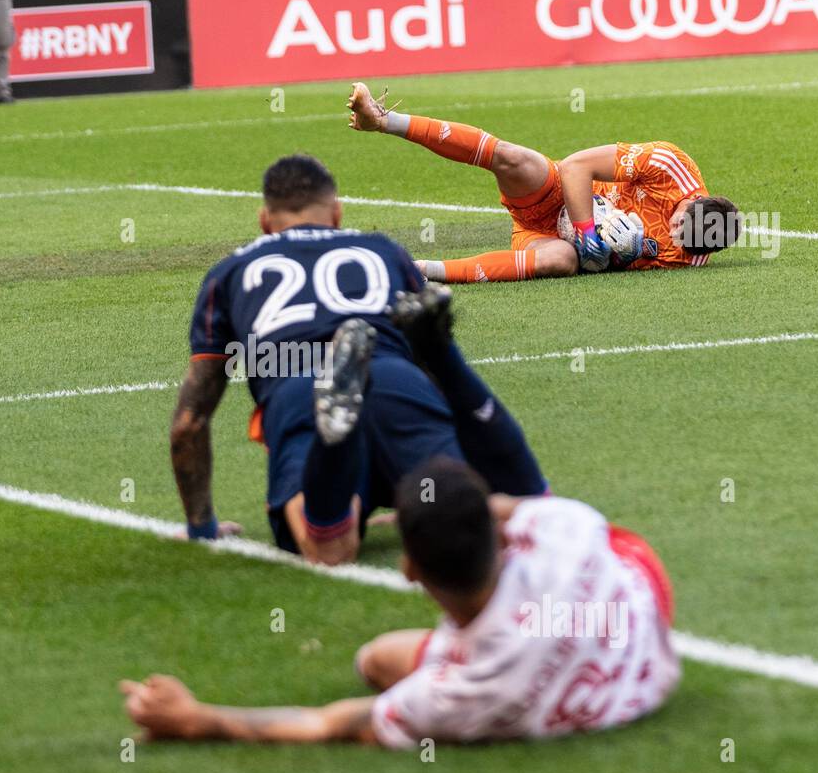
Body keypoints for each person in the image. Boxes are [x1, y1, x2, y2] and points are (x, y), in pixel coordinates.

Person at [122, 455, 680, 747]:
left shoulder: (459, 691)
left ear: (408, 570)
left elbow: (326, 725)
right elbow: (511, 508)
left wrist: (199, 719)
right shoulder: (567, 531)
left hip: (524, 656)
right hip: (641, 605)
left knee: (375, 660)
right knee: (384, 658)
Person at [170, 154, 545, 566]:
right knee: (466, 515)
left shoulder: (230, 272)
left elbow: (190, 422)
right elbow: (423, 349)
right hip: (398, 383)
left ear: (264, 220)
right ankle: (476, 501)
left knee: (329, 549)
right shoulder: (383, 250)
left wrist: (201, 526)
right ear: (336, 212)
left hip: (299, 390)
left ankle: (338, 455)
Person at [345, 82, 741, 283]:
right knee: (516, 159)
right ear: (692, 201)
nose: (673, 235)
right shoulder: (668, 164)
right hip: (558, 195)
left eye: (681, 239)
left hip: (553, 242)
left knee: (561, 262)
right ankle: (382, 120)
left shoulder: (689, 254)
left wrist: (611, 253)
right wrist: (588, 227)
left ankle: (416, 270)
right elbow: (575, 166)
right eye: (677, 223)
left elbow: (609, 267)